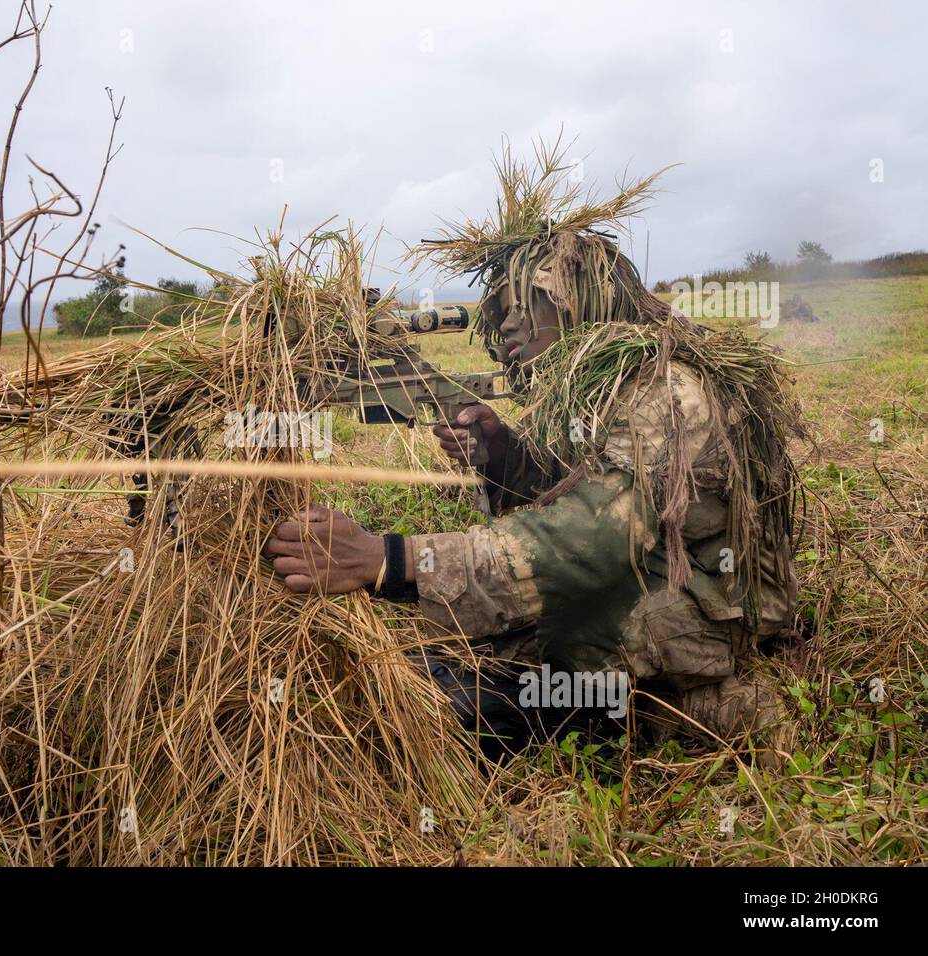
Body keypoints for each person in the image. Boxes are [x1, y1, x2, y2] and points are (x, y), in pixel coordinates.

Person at [262, 162, 803, 765]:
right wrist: (507, 457)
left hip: (680, 622)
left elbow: (591, 540)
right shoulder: (607, 386)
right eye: (501, 311)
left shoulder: (663, 390)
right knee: (435, 665)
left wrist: (392, 560)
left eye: (529, 302)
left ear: (582, 300)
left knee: (440, 702)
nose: (510, 321)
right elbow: (581, 489)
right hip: (635, 589)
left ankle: (682, 713)